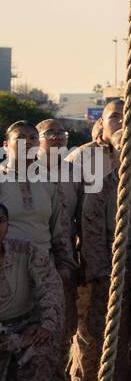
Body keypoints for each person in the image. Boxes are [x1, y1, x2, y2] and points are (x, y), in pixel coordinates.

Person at [72, 122, 131, 381]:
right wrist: (101, 273)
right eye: (124, 147)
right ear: (113, 153)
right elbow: (92, 233)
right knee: (113, 339)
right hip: (111, 266)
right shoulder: (101, 189)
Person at [0, 122, 75, 309]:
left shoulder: (48, 181)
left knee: (48, 329)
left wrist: (65, 266)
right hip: (7, 270)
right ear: (6, 145)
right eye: (20, 138)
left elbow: (60, 228)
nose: (27, 143)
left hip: (44, 269)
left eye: (33, 138)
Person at [0, 202, 63, 381]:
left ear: (8, 224)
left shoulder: (26, 251)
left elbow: (51, 287)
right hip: (4, 334)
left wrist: (47, 324)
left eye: (0, 221)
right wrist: (13, 340)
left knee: (44, 348)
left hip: (25, 326)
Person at [35, 118, 80, 377]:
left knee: (65, 326)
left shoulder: (74, 171)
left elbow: (83, 217)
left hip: (66, 260)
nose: (57, 137)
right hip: (36, 258)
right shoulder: (25, 171)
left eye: (62, 132)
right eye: (49, 132)